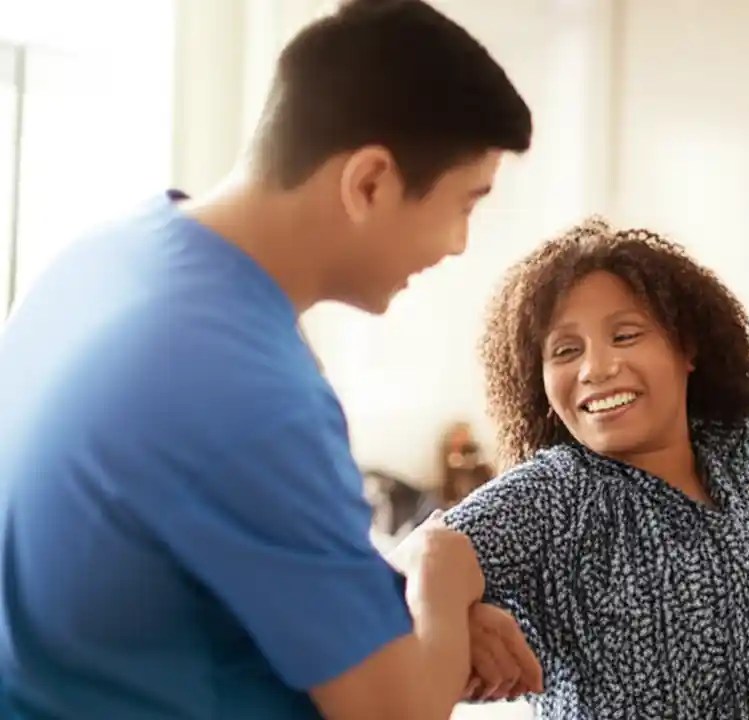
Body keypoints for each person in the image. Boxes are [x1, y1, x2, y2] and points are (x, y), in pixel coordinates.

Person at [0, 1, 535, 718]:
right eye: (466, 205)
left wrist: (407, 622)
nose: (458, 245)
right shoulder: (252, 392)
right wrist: (438, 571)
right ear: (369, 182)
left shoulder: (102, 259)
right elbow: (392, 714)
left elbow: (227, 537)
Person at [441, 210, 749, 717]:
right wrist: (444, 612)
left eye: (626, 335)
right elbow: (383, 590)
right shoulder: (549, 499)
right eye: (565, 350)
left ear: (688, 348)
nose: (597, 368)